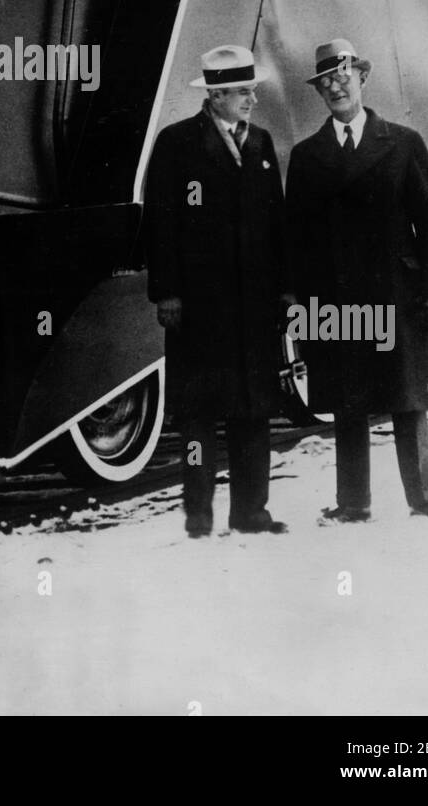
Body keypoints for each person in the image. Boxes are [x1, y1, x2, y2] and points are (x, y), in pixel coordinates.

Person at [285, 38, 428, 524]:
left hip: (396, 294)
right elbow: (296, 237)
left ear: (362, 79)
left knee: (406, 399)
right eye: (326, 83)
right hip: (335, 299)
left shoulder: (402, 142)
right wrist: (296, 301)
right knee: (347, 402)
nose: (336, 87)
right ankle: (353, 504)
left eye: (343, 77)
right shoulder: (308, 155)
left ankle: (424, 501)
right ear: (320, 93)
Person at [144, 44, 290, 538]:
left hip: (253, 308)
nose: (251, 98)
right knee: (200, 418)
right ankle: (198, 516)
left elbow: (277, 222)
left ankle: (252, 512)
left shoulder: (261, 144)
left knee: (254, 411)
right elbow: (159, 225)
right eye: (242, 91)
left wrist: (286, 290)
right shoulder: (177, 144)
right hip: (200, 309)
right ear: (216, 96)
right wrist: (167, 293)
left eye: (251, 89)